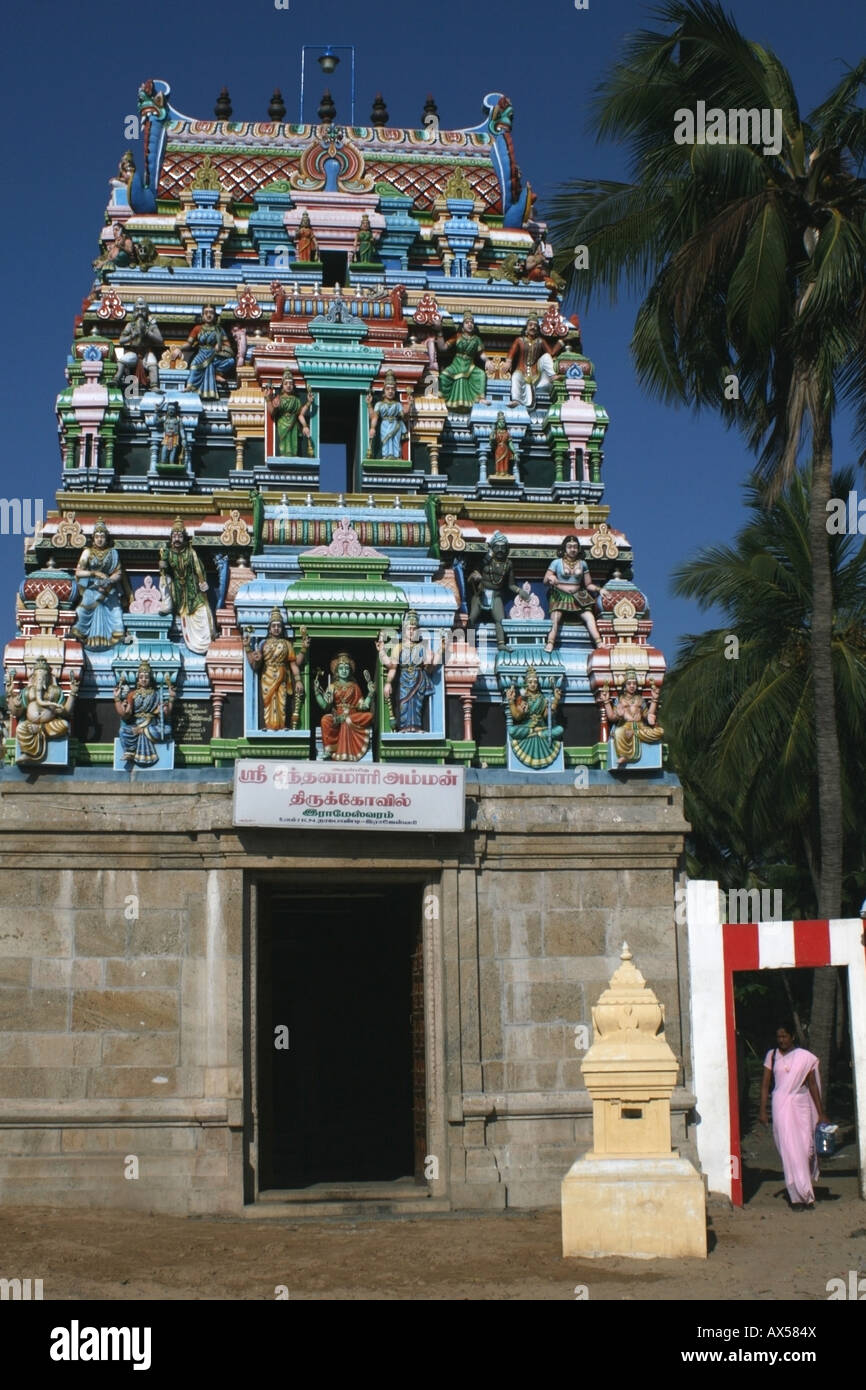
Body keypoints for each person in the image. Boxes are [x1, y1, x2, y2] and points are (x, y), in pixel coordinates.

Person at [759, 1024, 828, 1210]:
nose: (781, 1040)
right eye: (779, 1036)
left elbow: (812, 1085)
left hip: (802, 1105)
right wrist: (762, 1110)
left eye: (785, 1036)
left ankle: (805, 1189)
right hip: (781, 1105)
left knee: (806, 1150)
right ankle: (799, 1197)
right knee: (790, 1152)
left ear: (793, 1037)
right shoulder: (771, 1056)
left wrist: (821, 1113)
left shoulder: (804, 1058)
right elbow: (765, 1085)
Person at [244, 611, 309, 730]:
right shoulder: (263, 643)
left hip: (282, 674)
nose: (276, 628)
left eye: (279, 626)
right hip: (266, 675)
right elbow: (254, 665)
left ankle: (281, 726)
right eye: (273, 626)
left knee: (282, 701)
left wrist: (304, 649)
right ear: (269, 629)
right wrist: (248, 648)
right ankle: (269, 726)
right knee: (268, 702)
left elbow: (294, 664)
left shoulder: (287, 644)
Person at [70, 520, 126, 650]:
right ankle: (80, 633)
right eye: (97, 536)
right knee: (82, 610)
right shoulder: (87, 552)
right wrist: (94, 573)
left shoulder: (113, 553)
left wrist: (109, 581)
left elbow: (118, 572)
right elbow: (78, 572)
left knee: (116, 612)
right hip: (91, 588)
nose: (99, 539)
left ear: (106, 539)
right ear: (93, 538)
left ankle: (117, 636)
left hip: (108, 589)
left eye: (102, 536)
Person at [543, 535, 601, 650]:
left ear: (578, 549)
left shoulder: (583, 564)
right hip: (560, 594)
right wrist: (551, 578)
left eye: (575, 547)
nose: (572, 549)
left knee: (590, 617)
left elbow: (588, 584)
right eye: (569, 547)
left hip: (579, 595)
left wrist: (600, 589)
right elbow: (545, 580)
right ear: (564, 548)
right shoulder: (556, 562)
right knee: (555, 617)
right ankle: (550, 642)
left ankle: (598, 642)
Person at [314, 652, 375, 761]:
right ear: (336, 670)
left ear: (350, 671)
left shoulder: (355, 687)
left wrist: (370, 694)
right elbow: (325, 706)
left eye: (346, 668)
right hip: (337, 716)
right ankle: (329, 749)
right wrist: (317, 693)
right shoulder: (332, 686)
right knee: (325, 720)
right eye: (341, 668)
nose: (344, 670)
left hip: (352, 716)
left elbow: (363, 706)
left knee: (365, 716)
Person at [600, 669, 664, 767]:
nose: (632, 686)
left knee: (660, 731)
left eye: (634, 683)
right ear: (625, 686)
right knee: (618, 732)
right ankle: (624, 755)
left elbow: (647, 715)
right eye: (629, 683)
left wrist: (654, 699)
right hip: (626, 726)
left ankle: (635, 733)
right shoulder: (620, 700)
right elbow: (612, 717)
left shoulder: (640, 699)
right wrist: (607, 703)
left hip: (640, 727)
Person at [436, 313, 488, 409]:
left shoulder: (477, 339)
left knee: (481, 374)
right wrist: (439, 331)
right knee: (443, 376)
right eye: (467, 322)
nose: (469, 324)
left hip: (470, 365)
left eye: (471, 323)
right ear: (462, 326)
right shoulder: (457, 336)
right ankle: (441, 399)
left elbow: (481, 354)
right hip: (457, 364)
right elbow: (442, 348)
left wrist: (488, 361)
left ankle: (480, 398)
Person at [182, 305, 235, 399]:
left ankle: (217, 374)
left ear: (215, 316)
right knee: (194, 366)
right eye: (206, 313)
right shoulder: (197, 329)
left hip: (215, 354)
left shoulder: (219, 330)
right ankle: (190, 387)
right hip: (202, 353)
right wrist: (179, 348)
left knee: (231, 361)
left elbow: (228, 345)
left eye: (211, 313)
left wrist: (220, 345)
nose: (209, 315)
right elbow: (189, 343)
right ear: (202, 315)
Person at [267, 369, 312, 457]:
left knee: (293, 441)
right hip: (282, 423)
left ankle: (293, 455)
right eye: (286, 383)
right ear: (282, 385)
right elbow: (272, 412)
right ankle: (284, 455)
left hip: (293, 423)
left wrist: (305, 426)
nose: (288, 386)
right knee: (284, 441)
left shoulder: (296, 400)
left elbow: (300, 414)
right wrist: (269, 400)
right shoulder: (279, 398)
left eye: (291, 384)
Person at [368, 372, 408, 460]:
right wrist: (372, 428)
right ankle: (386, 456)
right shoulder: (379, 404)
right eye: (388, 389)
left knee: (395, 441)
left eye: (393, 389)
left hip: (395, 425)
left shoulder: (397, 404)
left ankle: (396, 456)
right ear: (384, 390)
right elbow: (374, 417)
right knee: (385, 440)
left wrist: (409, 405)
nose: (390, 391)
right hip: (384, 424)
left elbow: (403, 415)